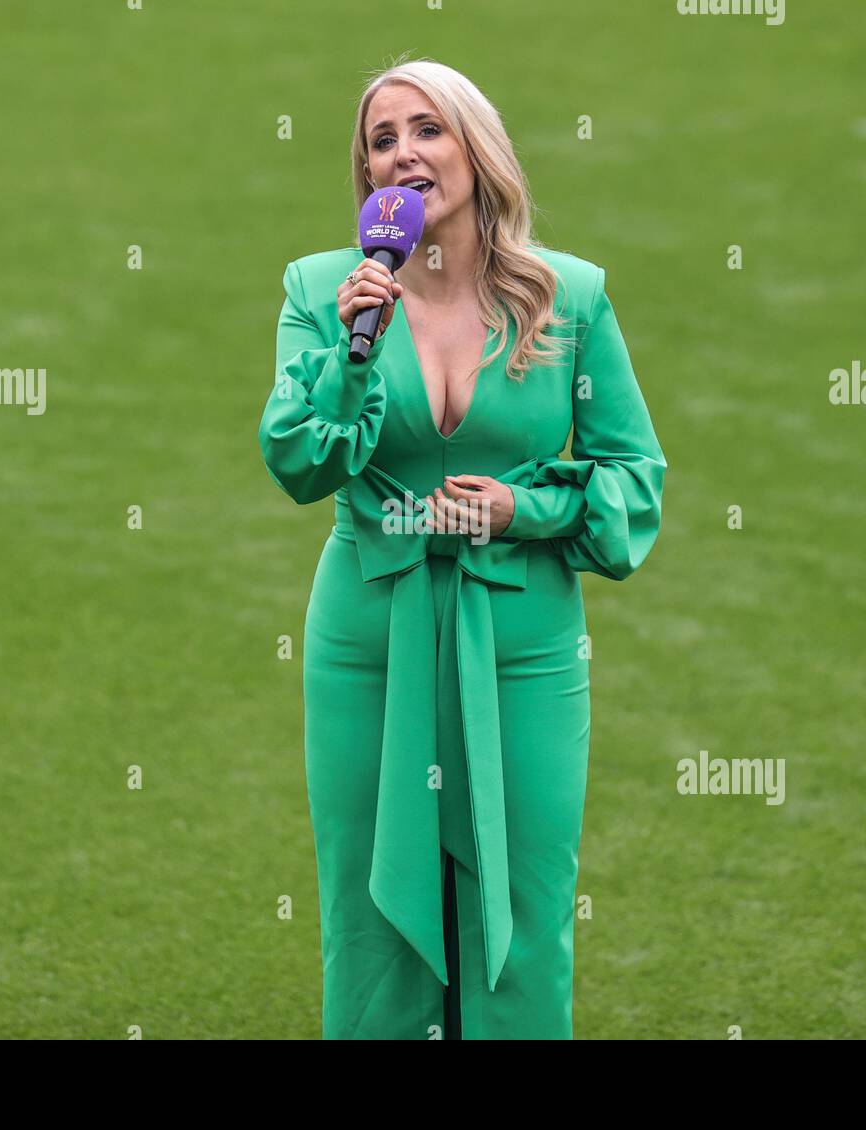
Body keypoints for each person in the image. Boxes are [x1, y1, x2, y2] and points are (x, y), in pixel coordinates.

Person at [257, 57, 668, 1039]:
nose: (402, 152)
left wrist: (523, 513)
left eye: (426, 129)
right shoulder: (323, 290)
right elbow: (299, 461)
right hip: (368, 636)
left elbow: (632, 477)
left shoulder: (568, 297)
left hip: (523, 641)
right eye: (381, 140)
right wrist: (355, 351)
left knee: (521, 904)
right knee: (368, 908)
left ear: (476, 150)